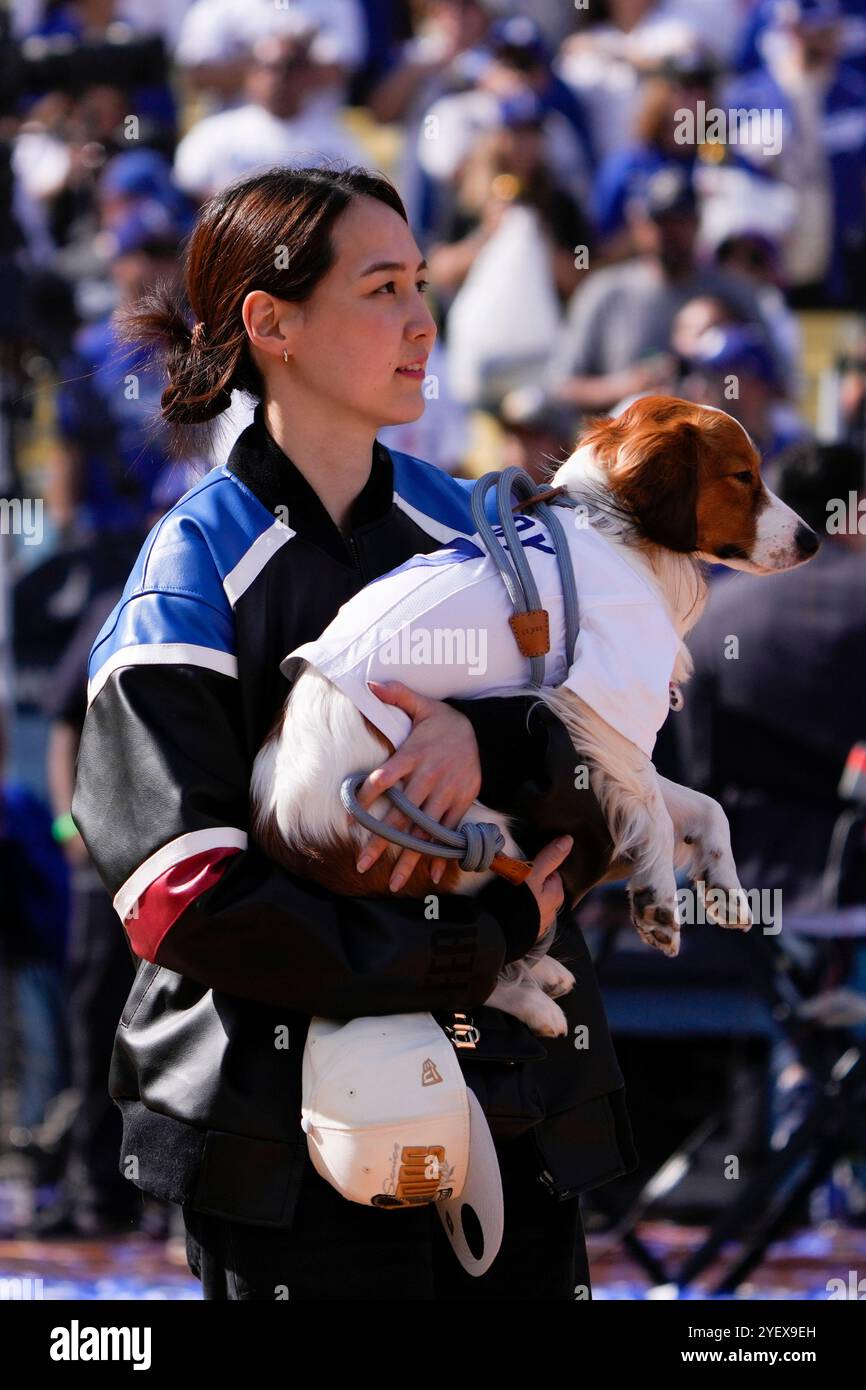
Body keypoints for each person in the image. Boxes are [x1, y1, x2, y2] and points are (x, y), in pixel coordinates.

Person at [71, 165, 637, 1301]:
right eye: (383, 288)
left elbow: (617, 794)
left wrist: (501, 749)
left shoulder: (488, 531)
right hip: (288, 1147)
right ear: (270, 322)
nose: (424, 320)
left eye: (423, 282)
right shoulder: (185, 576)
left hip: (516, 1106)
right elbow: (179, 894)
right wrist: (465, 947)